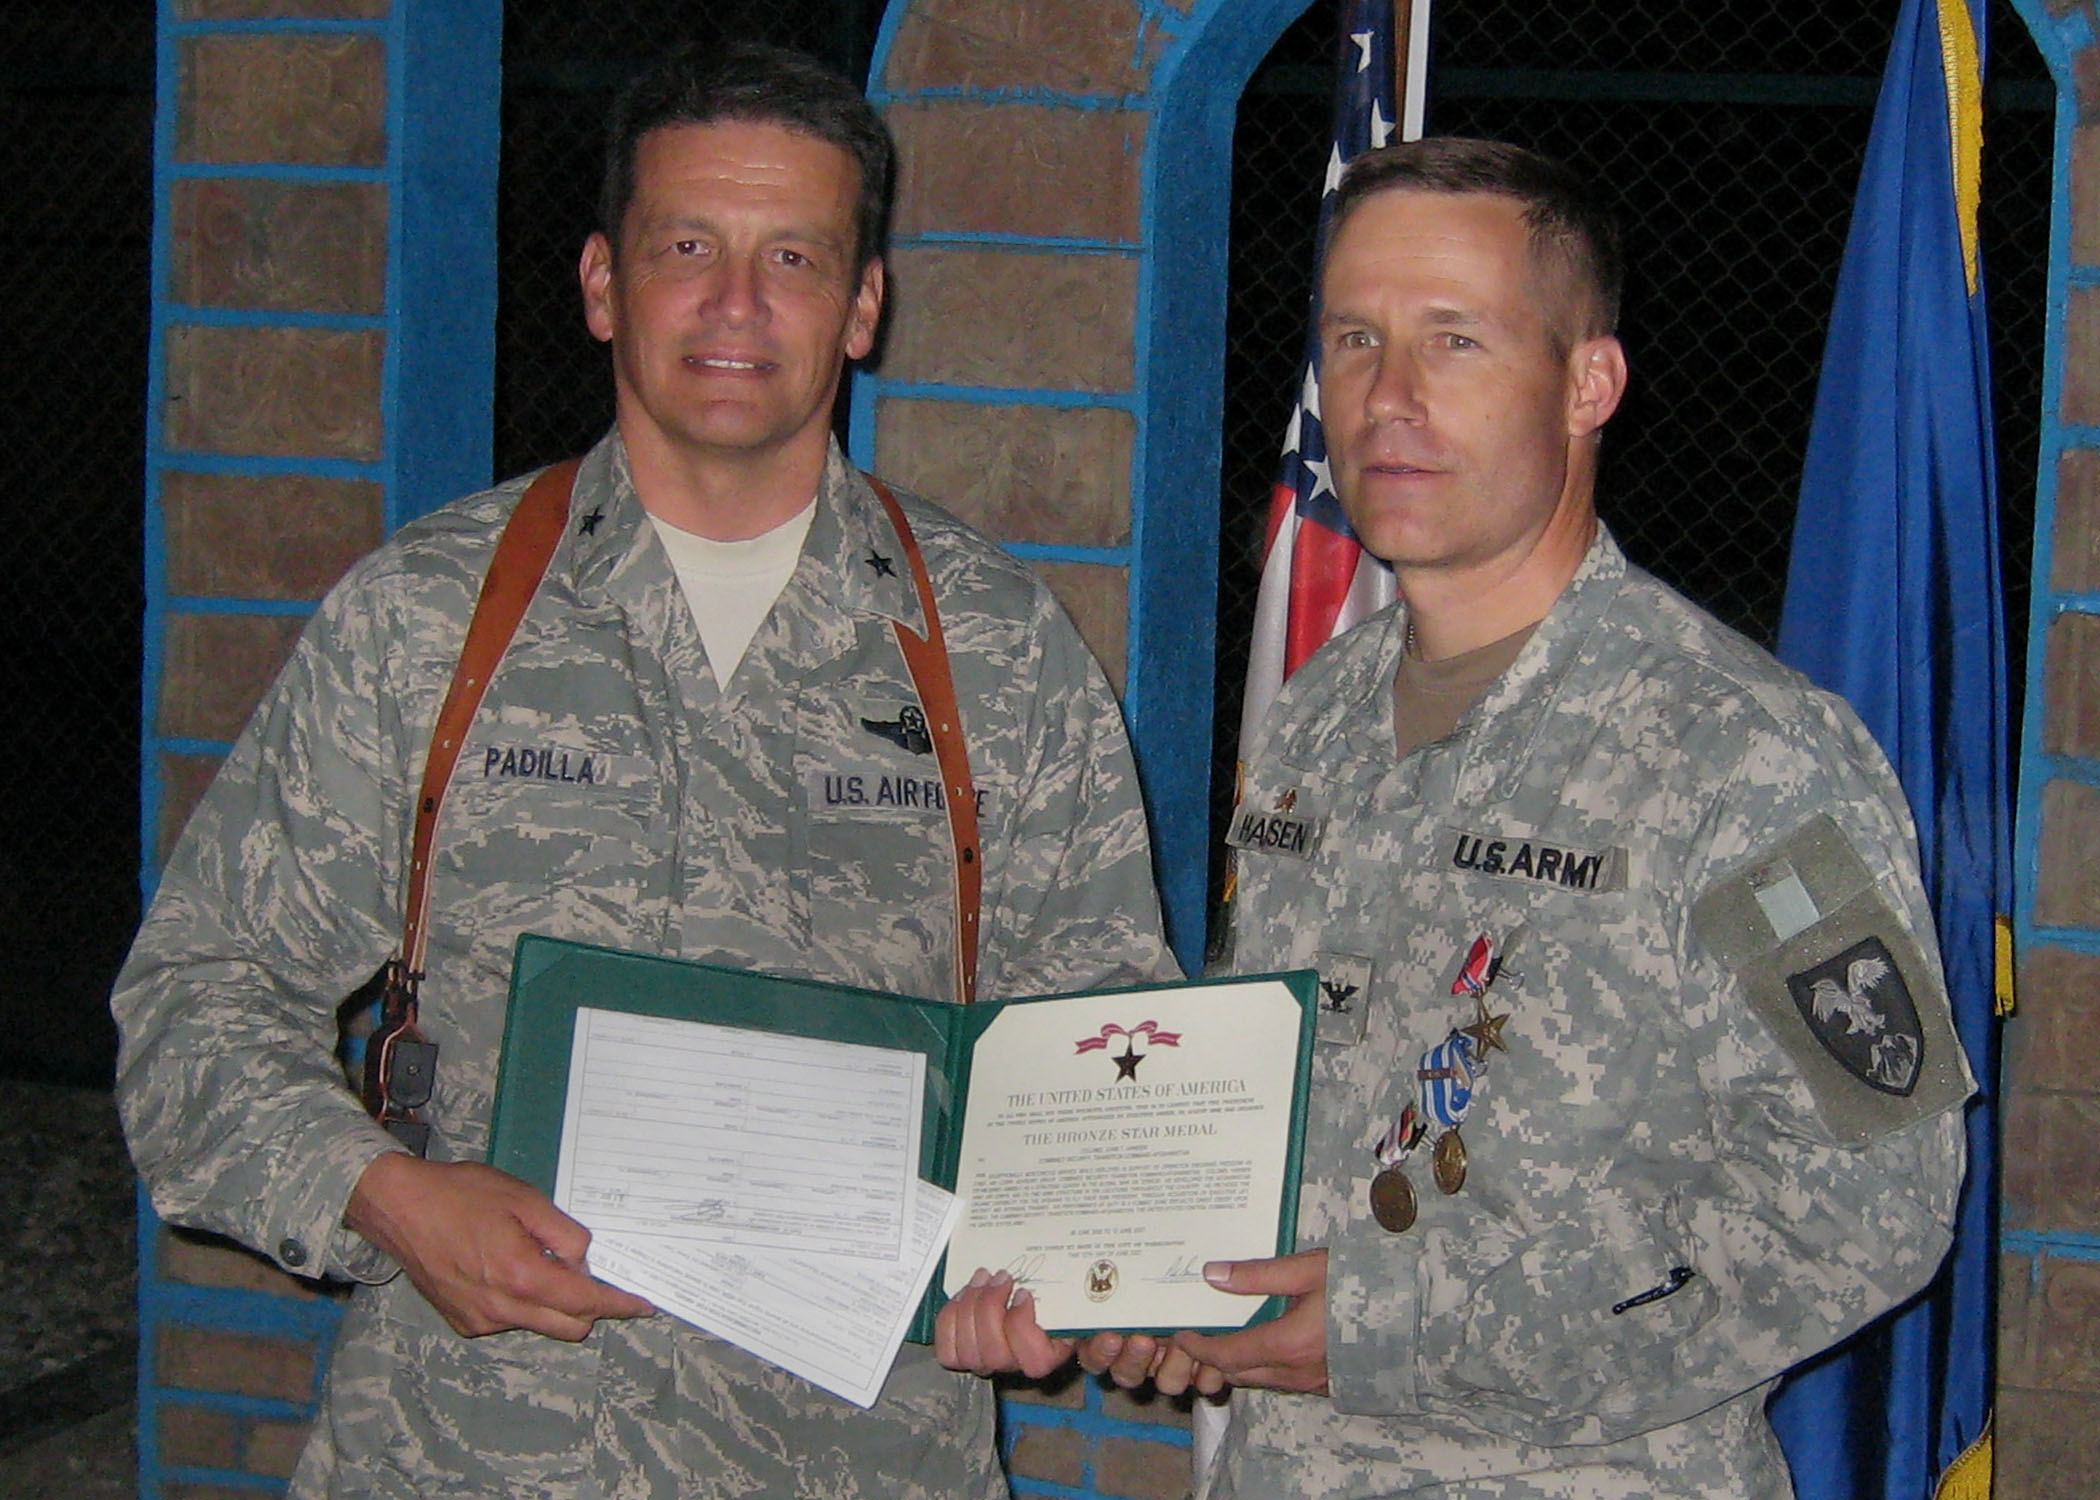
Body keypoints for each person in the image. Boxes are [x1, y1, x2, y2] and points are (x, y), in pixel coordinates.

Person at [113, 41, 1173, 1500]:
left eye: (793, 255)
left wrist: (1064, 1249)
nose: (737, 304)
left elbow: (1107, 1032)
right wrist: (388, 1196)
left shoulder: (989, 651)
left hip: (859, 1460)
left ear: (862, 306)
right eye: (690, 247)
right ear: (605, 282)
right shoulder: (429, 620)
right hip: (475, 1451)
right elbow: (190, 1002)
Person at [936, 137, 1972, 1500]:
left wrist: (1393, 1329)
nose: (1389, 398)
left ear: (1587, 383)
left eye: (1458, 342)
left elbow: (1867, 1209)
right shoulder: (1321, 717)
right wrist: (1143, 1279)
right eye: (1355, 338)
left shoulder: (1741, 750)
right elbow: (1290, 1117)